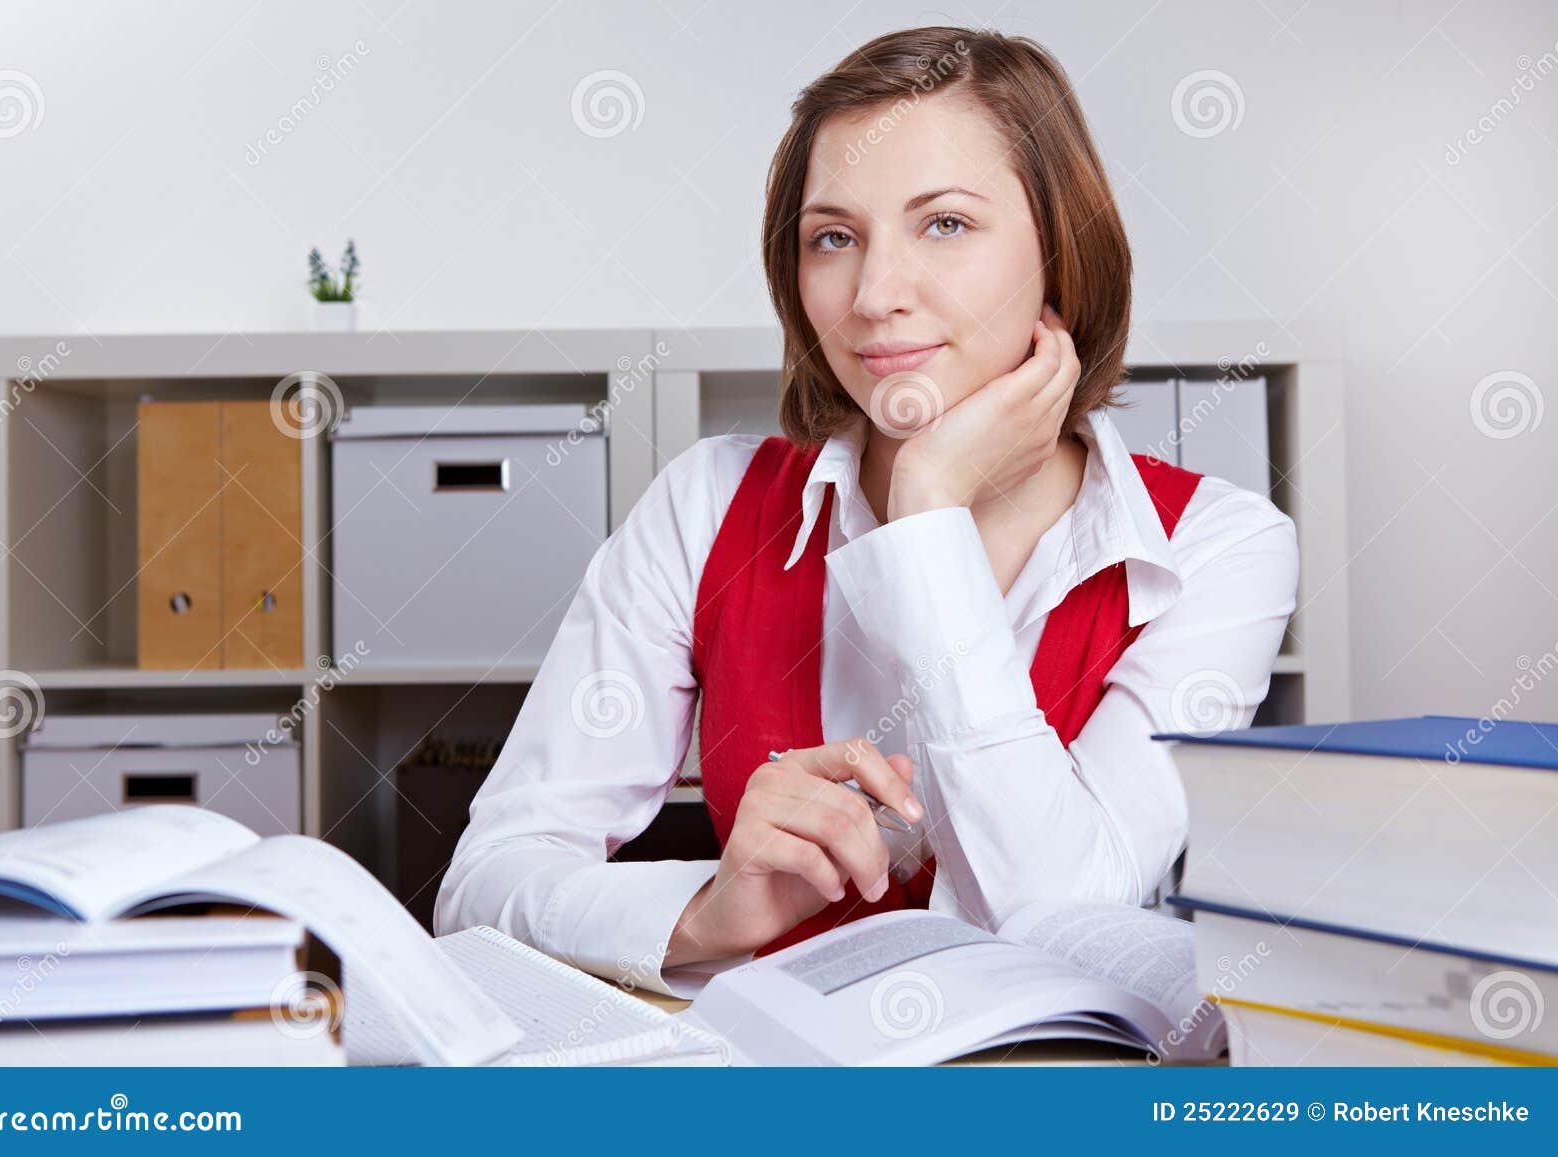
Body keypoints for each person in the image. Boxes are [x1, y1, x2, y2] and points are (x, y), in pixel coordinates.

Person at [435, 26, 1297, 995]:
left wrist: (928, 513)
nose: (874, 296)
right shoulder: (706, 504)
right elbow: (484, 884)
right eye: (833, 238)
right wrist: (705, 910)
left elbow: (1057, 910)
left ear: (1059, 253)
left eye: (945, 224)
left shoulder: (1216, 549)